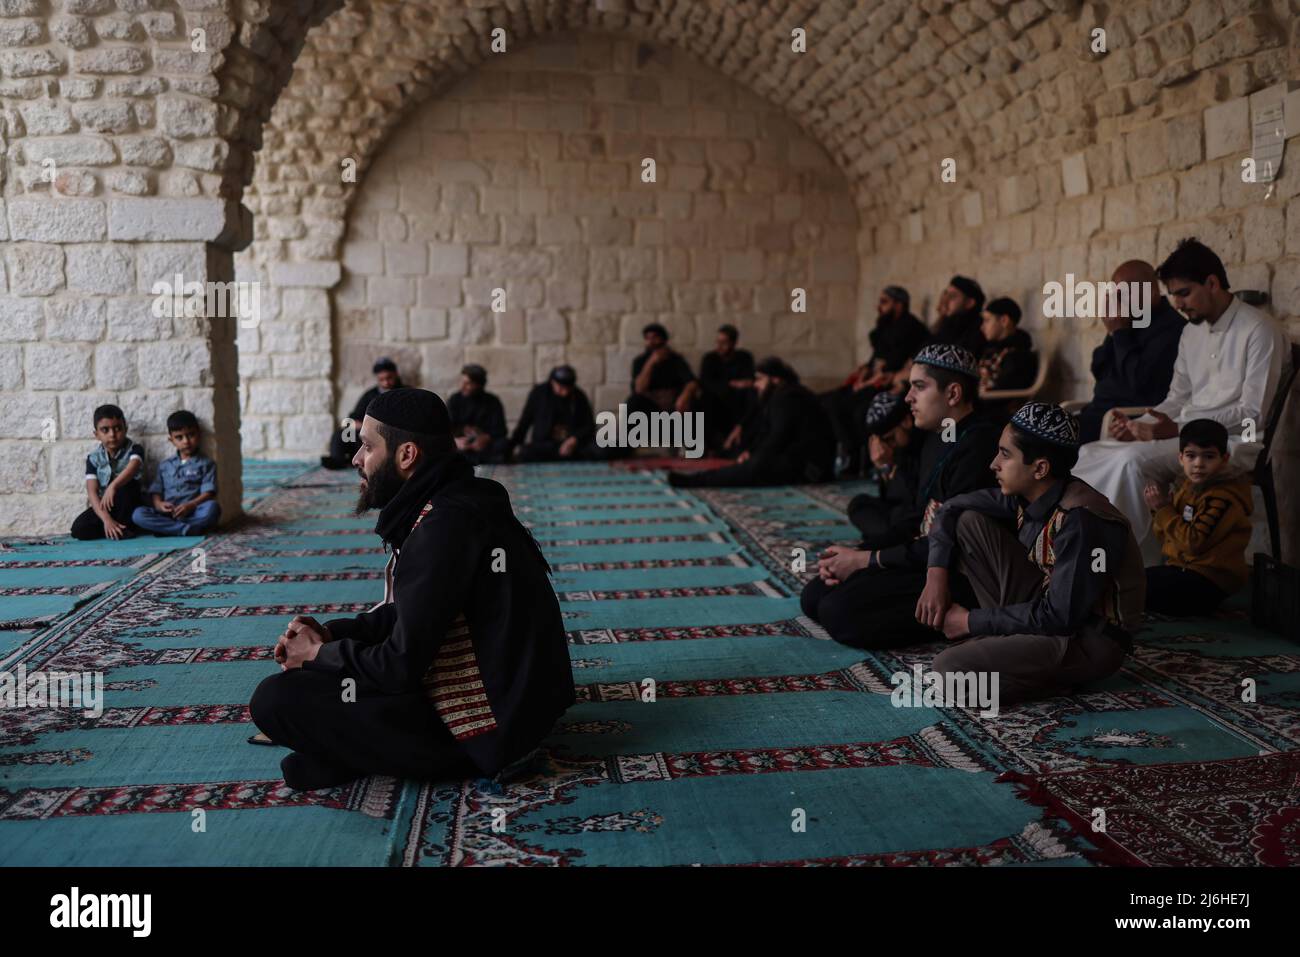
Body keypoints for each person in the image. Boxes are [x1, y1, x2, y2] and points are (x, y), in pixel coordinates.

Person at [249, 388, 574, 791]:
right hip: (514, 702)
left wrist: (316, 655)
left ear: (407, 455)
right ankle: (345, 749)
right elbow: (414, 612)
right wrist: (333, 634)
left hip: (490, 728)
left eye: (367, 447)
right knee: (319, 689)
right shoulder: (453, 501)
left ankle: (354, 752)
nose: (355, 459)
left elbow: (399, 667)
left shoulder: (443, 527)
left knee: (276, 700)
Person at [1073, 239, 1287, 561]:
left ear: (1212, 283)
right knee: (1092, 452)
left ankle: (1132, 567)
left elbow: (1252, 414)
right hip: (1184, 433)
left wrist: (1177, 428)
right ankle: (1084, 552)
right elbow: (1177, 397)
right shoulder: (1191, 332)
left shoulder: (1259, 330)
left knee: (1130, 463)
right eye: (1173, 295)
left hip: (1233, 440)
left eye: (1184, 293)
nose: (1177, 303)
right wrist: (1138, 425)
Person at [921, 402, 1145, 705]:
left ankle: (1052, 681)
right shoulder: (1028, 494)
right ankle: (1013, 647)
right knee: (970, 522)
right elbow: (951, 508)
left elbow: (1060, 618)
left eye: (1005, 454)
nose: (993, 464)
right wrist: (936, 575)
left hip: (1087, 640)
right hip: (1046, 608)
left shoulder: (1083, 521)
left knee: (947, 672)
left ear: (1040, 468)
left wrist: (971, 622)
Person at [799, 345, 1001, 647]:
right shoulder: (937, 437)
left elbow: (952, 543)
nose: (908, 398)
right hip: (923, 553)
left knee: (839, 612)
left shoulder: (981, 444)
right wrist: (853, 555)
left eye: (919, 387)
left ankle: (961, 618)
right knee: (814, 594)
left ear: (954, 394)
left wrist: (866, 561)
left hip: (956, 572)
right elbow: (915, 518)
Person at [667, 357, 835, 488]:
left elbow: (778, 437)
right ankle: (699, 479)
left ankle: (695, 481)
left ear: (776, 379)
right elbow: (770, 432)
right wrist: (752, 451)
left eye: (760, 380)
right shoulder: (783, 395)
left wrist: (754, 460)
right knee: (748, 462)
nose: (756, 385)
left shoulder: (787, 397)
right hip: (808, 464)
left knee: (752, 469)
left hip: (811, 469)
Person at [1142, 419, 1253, 616]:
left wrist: (1163, 509)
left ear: (1224, 459)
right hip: (1183, 569)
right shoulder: (1187, 488)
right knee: (1130, 580)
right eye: (1191, 456)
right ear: (1180, 458)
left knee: (1134, 589)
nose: (1199, 464)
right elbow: (1167, 540)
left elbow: (1193, 543)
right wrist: (1159, 510)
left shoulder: (1222, 498)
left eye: (1209, 457)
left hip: (1210, 579)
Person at [1076, 260, 1185, 443]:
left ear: (1150, 294)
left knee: (1042, 441)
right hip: (1097, 412)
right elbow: (1099, 370)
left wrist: (1120, 333)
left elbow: (1140, 384)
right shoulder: (1128, 320)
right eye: (1115, 295)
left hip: (1125, 420)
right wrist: (1112, 332)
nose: (1118, 302)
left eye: (1123, 295)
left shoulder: (1171, 329)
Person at [823, 286, 928, 474]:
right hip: (872, 382)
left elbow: (896, 366)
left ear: (899, 305)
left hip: (889, 385)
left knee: (852, 409)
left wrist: (869, 381)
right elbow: (876, 359)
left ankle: (855, 456)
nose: (879, 307)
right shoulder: (885, 328)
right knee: (826, 400)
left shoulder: (911, 328)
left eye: (884, 302)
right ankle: (836, 457)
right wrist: (864, 371)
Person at [130, 411, 221, 536]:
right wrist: (159, 504)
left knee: (212, 508)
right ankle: (183, 529)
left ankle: (168, 529)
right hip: (167, 514)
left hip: (192, 511)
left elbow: (208, 492)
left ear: (199, 435)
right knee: (138, 514)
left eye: (191, 435)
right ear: (171, 440)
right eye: (179, 437)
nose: (186, 441)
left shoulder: (206, 464)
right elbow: (156, 491)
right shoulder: (165, 465)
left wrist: (190, 505)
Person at [844, 390, 919, 540]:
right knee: (858, 503)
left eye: (889, 438)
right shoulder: (898, 447)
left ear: (906, 421)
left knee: (897, 518)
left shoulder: (919, 444)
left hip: (914, 516)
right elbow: (889, 499)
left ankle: (885, 540)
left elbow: (909, 499)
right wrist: (884, 468)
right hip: (898, 514)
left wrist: (889, 465)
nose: (886, 447)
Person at [71, 404, 144, 541]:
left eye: (117, 429)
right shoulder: (93, 458)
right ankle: (113, 528)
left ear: (125, 429)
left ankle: (124, 527)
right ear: (96, 434)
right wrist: (106, 519)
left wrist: (113, 486)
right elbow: (92, 492)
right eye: (105, 430)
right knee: (78, 529)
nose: (112, 434)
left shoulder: (135, 449)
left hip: (128, 501)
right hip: (107, 505)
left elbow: (132, 467)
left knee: (127, 486)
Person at [677, 324, 755, 452]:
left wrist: (734, 385)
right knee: (703, 401)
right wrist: (730, 384)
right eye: (718, 342)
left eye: (724, 343)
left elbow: (748, 381)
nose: (719, 346)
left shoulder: (744, 357)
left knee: (751, 397)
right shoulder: (710, 358)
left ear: (734, 343)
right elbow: (705, 383)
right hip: (716, 399)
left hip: (738, 399)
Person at [508, 365, 604, 462]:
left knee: (602, 449)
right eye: (560, 387)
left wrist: (574, 440)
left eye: (567, 388)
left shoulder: (579, 396)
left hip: (572, 446)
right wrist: (513, 445)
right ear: (552, 382)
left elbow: (589, 427)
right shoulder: (539, 393)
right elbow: (525, 422)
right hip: (546, 446)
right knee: (524, 452)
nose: (565, 392)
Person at [321, 357, 403, 470]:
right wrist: (366, 426)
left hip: (393, 433)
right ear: (377, 379)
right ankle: (339, 460)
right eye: (381, 379)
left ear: (396, 374)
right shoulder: (370, 395)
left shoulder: (405, 393)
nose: (386, 382)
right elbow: (350, 421)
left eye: (389, 378)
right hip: (369, 432)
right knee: (342, 435)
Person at [627, 323, 695, 416]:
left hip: (674, 406)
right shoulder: (639, 361)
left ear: (663, 340)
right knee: (633, 402)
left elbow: (691, 382)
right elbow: (639, 389)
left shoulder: (676, 359)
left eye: (655, 337)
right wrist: (651, 362)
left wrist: (685, 396)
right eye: (647, 338)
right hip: (649, 407)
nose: (651, 342)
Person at [447, 364, 509, 466]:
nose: (463, 386)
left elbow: (500, 430)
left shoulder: (492, 401)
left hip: (484, 445)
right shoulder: (455, 400)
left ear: (479, 385)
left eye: (468, 383)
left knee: (503, 444)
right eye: (462, 382)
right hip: (462, 444)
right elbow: (447, 428)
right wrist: (456, 441)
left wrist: (485, 438)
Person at [977, 297, 1037, 393]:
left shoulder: (1018, 356)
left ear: (1004, 321)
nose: (982, 327)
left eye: (987, 320)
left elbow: (1004, 392)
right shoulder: (991, 349)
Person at [931, 275, 986, 355]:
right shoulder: (947, 324)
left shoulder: (977, 330)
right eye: (946, 294)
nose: (945, 301)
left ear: (969, 303)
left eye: (952, 296)